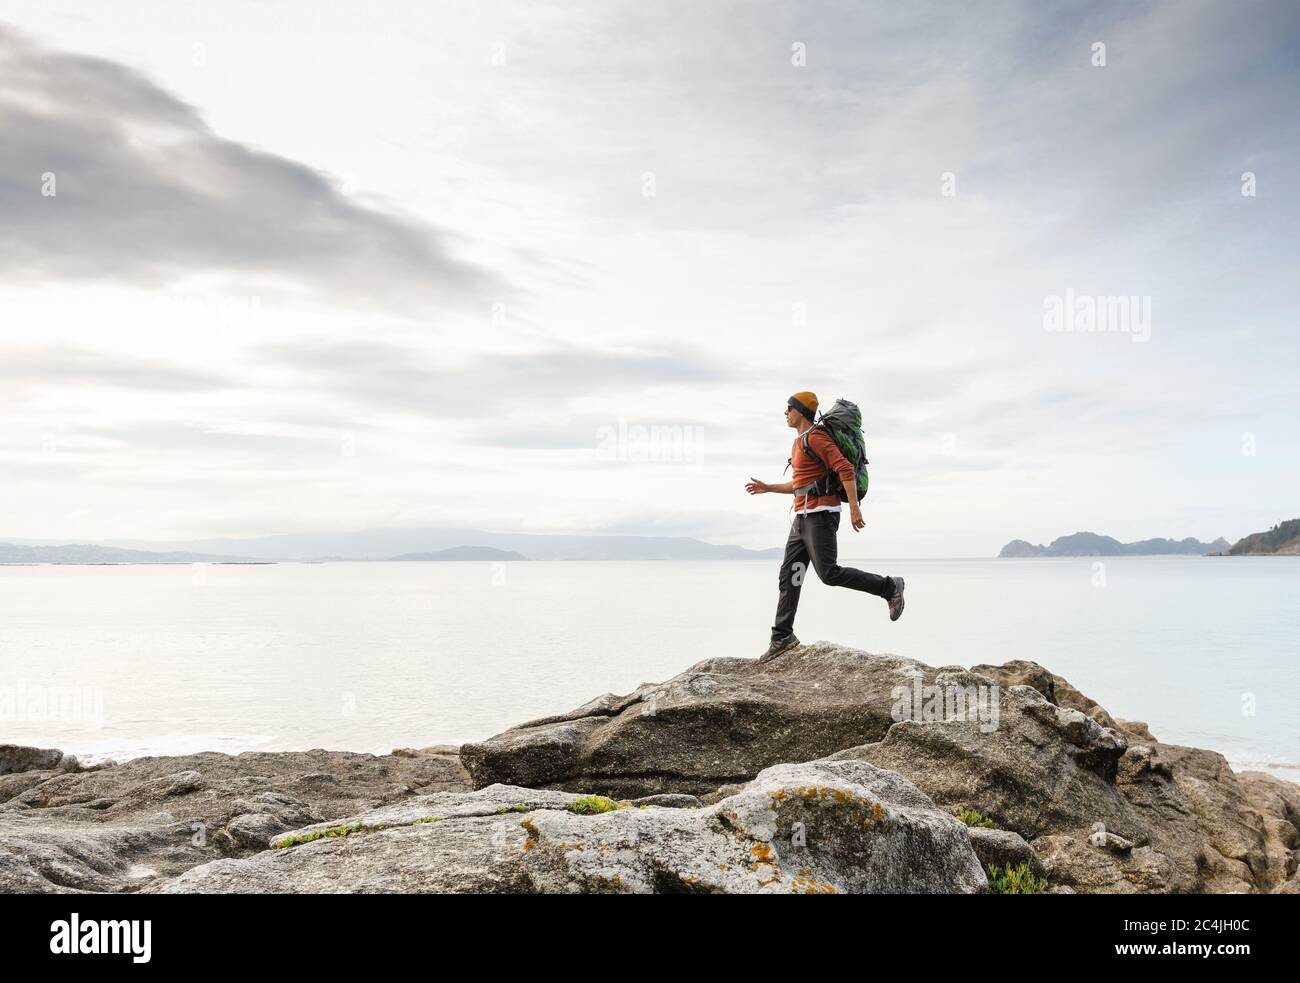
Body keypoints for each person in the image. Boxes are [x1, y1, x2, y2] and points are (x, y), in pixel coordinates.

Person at [745, 391, 905, 660]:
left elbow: (844, 468)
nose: (785, 413)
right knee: (790, 576)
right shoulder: (798, 443)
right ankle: (782, 636)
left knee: (829, 573)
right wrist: (768, 488)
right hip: (802, 519)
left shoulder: (816, 438)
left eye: (789, 409)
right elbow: (800, 484)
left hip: (821, 516)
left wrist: (854, 507)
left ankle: (889, 587)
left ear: (801, 412)